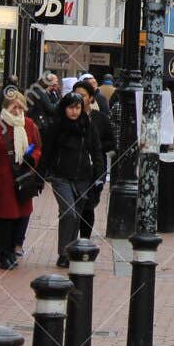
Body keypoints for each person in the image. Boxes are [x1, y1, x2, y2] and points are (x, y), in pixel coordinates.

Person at [0, 87, 43, 270]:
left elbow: (37, 148)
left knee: (20, 216)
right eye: (13, 106)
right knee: (3, 218)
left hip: (22, 179)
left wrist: (32, 157)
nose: (17, 110)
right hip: (0, 181)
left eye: (20, 107)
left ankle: (12, 251)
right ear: (6, 107)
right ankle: (3, 255)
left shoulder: (29, 125)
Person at [42, 93, 102, 266]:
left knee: (76, 216)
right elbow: (47, 151)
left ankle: (70, 251)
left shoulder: (87, 125)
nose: (74, 111)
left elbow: (96, 150)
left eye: (77, 107)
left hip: (83, 177)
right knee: (69, 212)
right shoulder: (57, 126)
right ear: (64, 108)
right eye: (71, 107)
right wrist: (41, 173)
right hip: (61, 176)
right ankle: (63, 253)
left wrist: (99, 175)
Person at [72, 81, 113, 239]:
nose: (79, 99)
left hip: (93, 171)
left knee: (88, 208)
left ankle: (84, 241)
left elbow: (110, 143)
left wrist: (95, 145)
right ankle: (68, 244)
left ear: (90, 98)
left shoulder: (100, 119)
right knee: (71, 208)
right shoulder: (67, 117)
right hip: (72, 170)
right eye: (75, 95)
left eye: (82, 96)